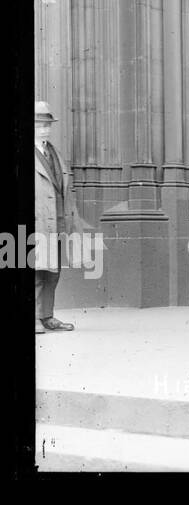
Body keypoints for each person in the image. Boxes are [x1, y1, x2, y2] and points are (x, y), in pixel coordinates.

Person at [34, 101, 75, 333]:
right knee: (35, 270)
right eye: (39, 125)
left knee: (53, 270)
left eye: (47, 125)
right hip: (36, 222)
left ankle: (47, 316)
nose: (44, 130)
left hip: (57, 221)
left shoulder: (54, 152)